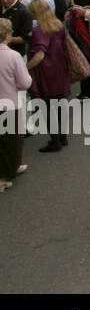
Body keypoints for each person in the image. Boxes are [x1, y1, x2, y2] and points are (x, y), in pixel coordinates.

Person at [25, 0, 71, 153]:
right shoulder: (58, 26)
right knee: (60, 105)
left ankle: (54, 140)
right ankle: (63, 137)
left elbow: (39, 55)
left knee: (48, 107)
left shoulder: (39, 31)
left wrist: (26, 67)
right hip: (60, 69)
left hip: (46, 73)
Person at [0, 19, 32, 191]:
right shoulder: (13, 56)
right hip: (9, 104)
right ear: (8, 35)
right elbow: (25, 82)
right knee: (11, 141)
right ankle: (6, 174)